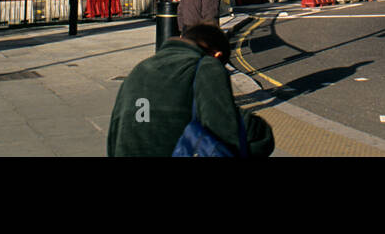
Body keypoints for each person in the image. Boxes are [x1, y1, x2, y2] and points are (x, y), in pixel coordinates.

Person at [107, 24, 274, 157]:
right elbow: (224, 130)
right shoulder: (206, 66)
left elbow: (115, 131)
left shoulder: (140, 69)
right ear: (216, 55)